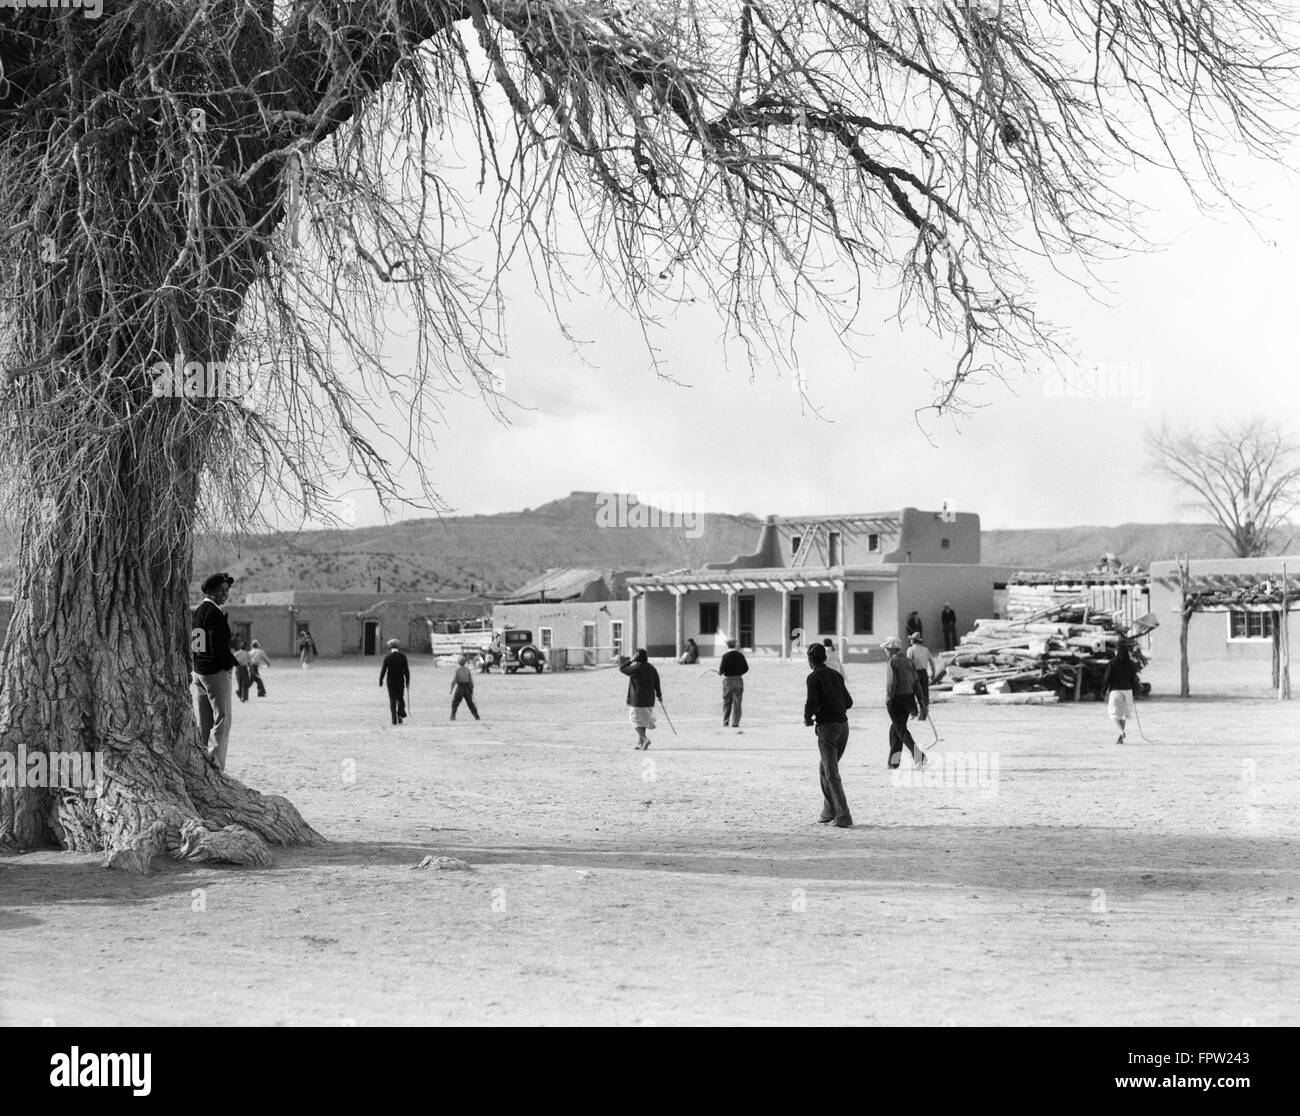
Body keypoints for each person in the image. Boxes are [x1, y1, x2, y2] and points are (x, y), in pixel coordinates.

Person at [804, 642, 854, 828]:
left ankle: (843, 816)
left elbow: (812, 701)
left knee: (831, 773)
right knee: (825, 769)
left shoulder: (813, 678)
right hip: (844, 727)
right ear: (825, 657)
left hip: (828, 728)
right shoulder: (836, 675)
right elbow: (848, 702)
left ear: (810, 660)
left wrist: (808, 717)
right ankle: (828, 811)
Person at [191, 572, 237, 771]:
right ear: (210, 591)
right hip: (215, 673)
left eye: (226, 591)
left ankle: (202, 758)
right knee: (223, 717)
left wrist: (199, 665)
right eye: (221, 590)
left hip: (200, 672)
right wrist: (228, 664)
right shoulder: (214, 613)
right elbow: (219, 646)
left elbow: (197, 643)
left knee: (205, 719)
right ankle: (217, 764)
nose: (224, 594)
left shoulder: (199, 611)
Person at [883, 637, 926, 769]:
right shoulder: (908, 661)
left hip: (896, 699)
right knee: (895, 729)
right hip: (909, 699)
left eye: (886, 649)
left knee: (900, 729)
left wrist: (889, 698)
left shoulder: (892, 662)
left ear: (890, 650)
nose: (885, 651)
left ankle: (919, 756)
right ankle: (893, 762)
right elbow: (916, 683)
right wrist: (921, 701)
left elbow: (892, 683)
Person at [619, 648, 661, 751]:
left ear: (636, 657)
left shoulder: (635, 668)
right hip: (649, 700)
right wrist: (659, 695)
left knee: (634, 720)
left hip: (637, 700)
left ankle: (645, 738)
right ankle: (640, 742)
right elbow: (657, 682)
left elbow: (622, 668)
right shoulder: (651, 668)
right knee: (643, 721)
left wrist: (631, 660)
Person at [1103, 641, 1139, 744]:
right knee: (1123, 715)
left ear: (1117, 651)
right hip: (1128, 691)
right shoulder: (1131, 663)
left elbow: (1107, 678)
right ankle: (1121, 738)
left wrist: (1103, 690)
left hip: (1116, 691)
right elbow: (1133, 679)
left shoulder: (1112, 663)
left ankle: (1121, 731)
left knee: (1113, 714)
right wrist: (1135, 692)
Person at [718, 638, 748, 727]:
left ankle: (725, 721)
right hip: (738, 680)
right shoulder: (740, 655)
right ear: (735, 645)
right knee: (737, 702)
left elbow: (721, 670)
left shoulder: (725, 656)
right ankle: (735, 723)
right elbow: (746, 668)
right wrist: (738, 673)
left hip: (727, 681)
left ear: (727, 645)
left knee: (727, 701)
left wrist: (722, 672)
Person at [379, 638, 410, 725]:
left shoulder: (387, 657)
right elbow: (406, 670)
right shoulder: (403, 656)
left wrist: (380, 680)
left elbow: (383, 670)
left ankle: (394, 720)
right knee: (400, 698)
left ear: (390, 648)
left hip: (391, 682)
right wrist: (407, 681)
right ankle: (400, 715)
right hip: (400, 681)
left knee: (392, 700)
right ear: (398, 647)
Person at [906, 632, 934, 713]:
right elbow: (932, 662)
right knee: (924, 692)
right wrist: (933, 673)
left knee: (912, 692)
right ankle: (924, 711)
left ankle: (914, 711)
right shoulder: (926, 650)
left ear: (913, 641)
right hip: (924, 673)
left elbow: (909, 663)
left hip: (915, 673)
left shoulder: (910, 650)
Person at [450, 655, 481, 721]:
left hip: (460, 688)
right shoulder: (467, 670)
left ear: (458, 662)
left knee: (455, 703)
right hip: (467, 687)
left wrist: (451, 688)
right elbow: (471, 681)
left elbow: (454, 680)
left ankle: (453, 716)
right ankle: (476, 716)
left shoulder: (457, 670)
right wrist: (471, 689)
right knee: (470, 703)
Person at [233, 639, 251, 703]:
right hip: (244, 668)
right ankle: (244, 697)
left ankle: (239, 693)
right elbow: (249, 663)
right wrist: (250, 669)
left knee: (239, 683)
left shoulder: (236, 653)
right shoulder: (247, 654)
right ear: (245, 647)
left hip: (237, 669)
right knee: (245, 684)